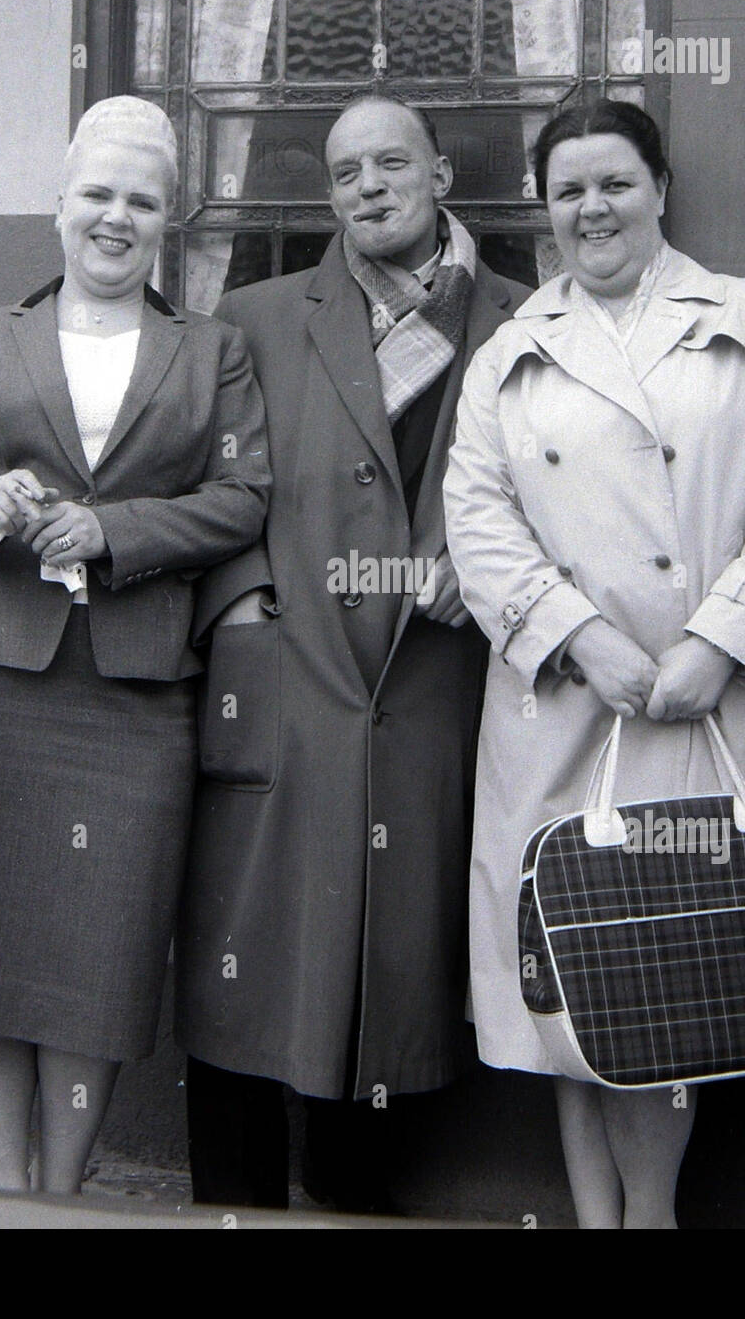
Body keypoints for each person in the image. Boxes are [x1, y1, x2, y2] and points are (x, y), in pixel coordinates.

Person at [443, 100, 745, 1229]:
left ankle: (646, 1222)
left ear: (660, 188)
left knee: (671, 979)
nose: (590, 208)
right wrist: (577, 637)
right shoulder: (508, 353)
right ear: (542, 211)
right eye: (566, 191)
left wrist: (716, 643)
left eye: (613, 183)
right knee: (572, 981)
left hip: (710, 705)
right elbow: (478, 521)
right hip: (567, 707)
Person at [0, 96, 270, 1194]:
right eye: (96, 193)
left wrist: (115, 531)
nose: (115, 217)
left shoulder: (211, 352)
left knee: (97, 961)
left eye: (141, 200)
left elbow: (244, 498)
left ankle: (58, 1208)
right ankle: (4, 1202)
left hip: (137, 701)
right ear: (58, 206)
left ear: (169, 219)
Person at [172, 92, 531, 1213]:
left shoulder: (526, 322)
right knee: (248, 971)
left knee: (382, 984)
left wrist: (487, 566)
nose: (368, 186)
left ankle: (352, 1218)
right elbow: (208, 491)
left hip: (433, 694)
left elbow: (565, 493)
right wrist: (239, 608)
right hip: (288, 687)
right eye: (343, 172)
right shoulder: (257, 317)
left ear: (437, 174)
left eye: (390, 162)